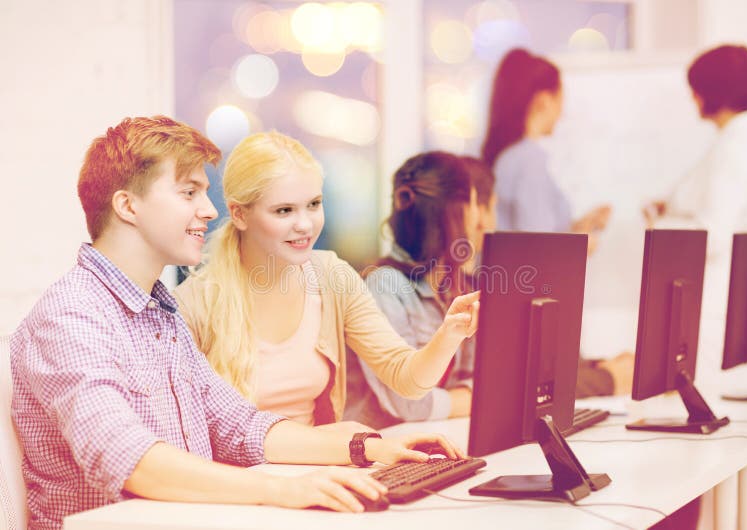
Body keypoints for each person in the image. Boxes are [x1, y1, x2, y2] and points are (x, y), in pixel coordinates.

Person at [9, 116, 466, 530]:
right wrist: (281, 491)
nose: (210, 212)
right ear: (128, 206)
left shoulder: (156, 312)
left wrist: (363, 447)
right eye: (189, 193)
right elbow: (130, 460)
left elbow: (239, 425)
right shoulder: (71, 317)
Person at [174, 131, 480, 428]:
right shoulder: (194, 304)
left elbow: (407, 381)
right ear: (239, 214)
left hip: (318, 470)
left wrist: (449, 334)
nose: (305, 224)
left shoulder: (332, 277)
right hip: (247, 477)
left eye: (314, 204)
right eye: (284, 211)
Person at [642, 44, 747, 391]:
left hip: (713, 302)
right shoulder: (737, 139)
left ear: (712, 92)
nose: (694, 99)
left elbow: (713, 233)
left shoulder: (734, 147)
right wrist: (669, 209)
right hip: (718, 297)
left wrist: (660, 227)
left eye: (696, 90)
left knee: (701, 403)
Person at [344, 153, 485, 429]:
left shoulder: (458, 286)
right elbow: (409, 404)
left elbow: (476, 375)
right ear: (460, 211)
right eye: (475, 201)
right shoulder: (384, 286)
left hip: (435, 435)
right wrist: (471, 400)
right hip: (380, 447)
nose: (480, 218)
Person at [481, 48, 611, 253]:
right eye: (560, 100)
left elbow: (530, 235)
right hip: (525, 283)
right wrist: (582, 246)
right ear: (543, 100)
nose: (562, 112)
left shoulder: (510, 156)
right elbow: (538, 251)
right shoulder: (529, 160)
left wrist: (579, 227)